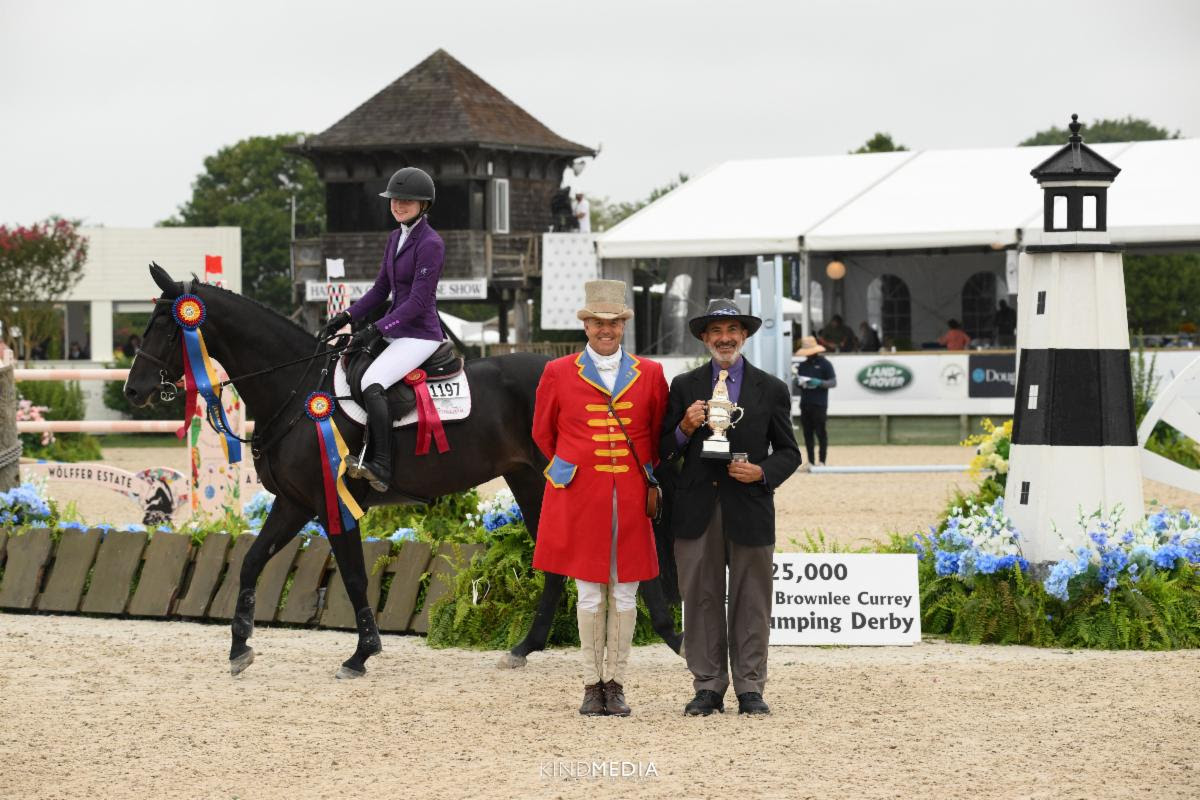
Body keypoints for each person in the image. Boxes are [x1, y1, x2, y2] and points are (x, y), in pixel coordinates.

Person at [531, 279, 667, 717]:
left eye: (613, 323)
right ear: (585, 325)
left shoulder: (650, 373)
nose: (605, 329)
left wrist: (646, 473)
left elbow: (658, 431)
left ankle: (618, 683)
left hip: (630, 496)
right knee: (589, 595)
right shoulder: (557, 371)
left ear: (623, 325)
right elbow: (541, 432)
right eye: (597, 322)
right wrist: (565, 467)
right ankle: (592, 684)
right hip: (579, 496)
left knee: (625, 595)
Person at [660, 299, 801, 716]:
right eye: (716, 331)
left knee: (752, 599)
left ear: (745, 336)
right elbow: (663, 451)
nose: (725, 338)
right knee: (699, 597)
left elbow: (790, 453)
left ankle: (750, 687)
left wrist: (761, 472)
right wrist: (685, 429)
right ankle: (707, 686)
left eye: (732, 330)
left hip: (750, 507)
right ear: (705, 338)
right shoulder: (683, 386)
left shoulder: (771, 388)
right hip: (697, 507)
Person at [320, 167, 445, 492]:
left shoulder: (430, 243)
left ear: (423, 204)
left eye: (407, 201)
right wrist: (346, 316)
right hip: (396, 328)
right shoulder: (395, 238)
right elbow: (379, 290)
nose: (399, 205)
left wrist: (375, 329)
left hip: (420, 333)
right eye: (395, 200)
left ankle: (383, 466)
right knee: (351, 367)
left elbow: (418, 302)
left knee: (374, 382)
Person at [793, 335, 837, 467]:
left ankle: (822, 461)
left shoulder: (825, 364)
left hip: (820, 404)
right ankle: (811, 461)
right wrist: (799, 383)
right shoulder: (802, 365)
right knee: (807, 434)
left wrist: (819, 383)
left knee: (821, 433)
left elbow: (833, 382)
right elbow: (798, 383)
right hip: (805, 403)